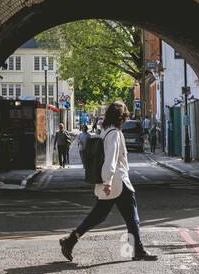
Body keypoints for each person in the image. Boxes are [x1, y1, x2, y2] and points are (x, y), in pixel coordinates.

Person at [59, 99, 157, 263]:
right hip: (118, 181)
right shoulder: (115, 134)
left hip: (114, 181)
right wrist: (108, 181)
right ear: (121, 118)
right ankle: (137, 249)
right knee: (132, 218)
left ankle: (70, 240)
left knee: (98, 216)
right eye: (124, 117)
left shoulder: (105, 131)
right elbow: (110, 160)